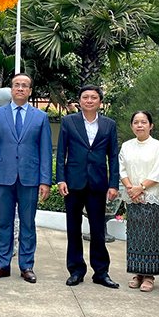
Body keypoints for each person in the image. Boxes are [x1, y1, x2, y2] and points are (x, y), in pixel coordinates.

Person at [0, 72, 52, 284]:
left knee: (28, 224)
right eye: (16, 85)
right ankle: (2, 265)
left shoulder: (40, 117)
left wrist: (45, 181)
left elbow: (46, 151)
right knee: (4, 223)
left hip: (30, 179)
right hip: (3, 178)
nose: (20, 88)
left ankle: (26, 265)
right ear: (11, 89)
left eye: (24, 85)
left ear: (30, 91)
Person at [55, 85, 120, 288]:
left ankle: (101, 272)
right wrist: (61, 179)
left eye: (93, 97)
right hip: (73, 182)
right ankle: (76, 270)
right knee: (73, 228)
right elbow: (61, 152)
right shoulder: (68, 121)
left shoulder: (109, 124)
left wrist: (113, 184)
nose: (89, 100)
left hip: (98, 182)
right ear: (79, 101)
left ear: (100, 101)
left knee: (98, 229)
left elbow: (113, 156)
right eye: (85, 97)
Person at [119, 111, 159, 292]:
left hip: (152, 197)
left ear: (151, 125)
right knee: (135, 237)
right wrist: (131, 189)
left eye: (143, 122)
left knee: (151, 237)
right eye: (136, 122)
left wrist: (140, 188)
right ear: (131, 126)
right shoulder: (126, 146)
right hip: (133, 198)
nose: (139, 125)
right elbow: (122, 169)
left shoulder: (158, 146)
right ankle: (138, 273)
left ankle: (149, 276)